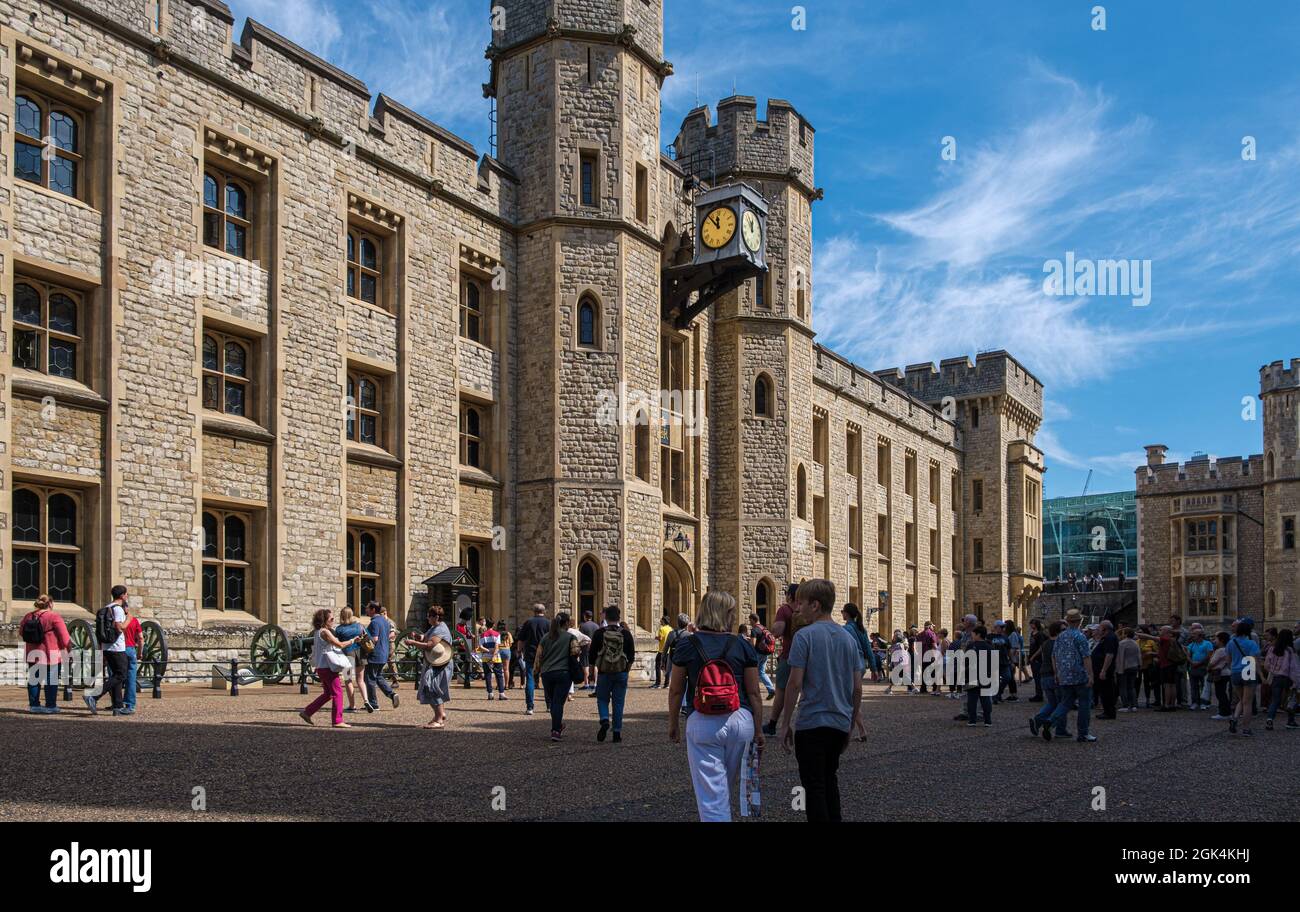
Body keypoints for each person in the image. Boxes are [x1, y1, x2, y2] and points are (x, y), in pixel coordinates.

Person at [668, 590, 764, 822]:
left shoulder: (687, 645)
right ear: (726, 614)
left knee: (712, 796)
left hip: (702, 721)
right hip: (740, 720)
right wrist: (759, 729)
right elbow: (753, 692)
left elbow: (676, 690)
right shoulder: (741, 645)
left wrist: (673, 724)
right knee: (728, 789)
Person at [778, 579, 863, 823]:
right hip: (838, 723)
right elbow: (857, 688)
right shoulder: (849, 639)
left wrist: (785, 724)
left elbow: (794, 684)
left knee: (813, 787)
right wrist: (849, 724)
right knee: (829, 781)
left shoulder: (804, 636)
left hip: (812, 723)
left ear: (815, 605)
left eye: (801, 603)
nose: (797, 608)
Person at [299, 608, 359, 728]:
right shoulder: (325, 632)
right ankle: (337, 720)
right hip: (327, 667)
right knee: (338, 693)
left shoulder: (317, 631)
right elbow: (339, 644)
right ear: (324, 620)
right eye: (331, 619)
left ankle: (307, 712)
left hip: (321, 667)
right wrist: (353, 640)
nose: (333, 620)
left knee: (328, 694)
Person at [1048, 609, 1096, 742]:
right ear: (1079, 621)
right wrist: (1090, 675)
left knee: (1065, 703)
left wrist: (1057, 673)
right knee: (1084, 704)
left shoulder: (1060, 637)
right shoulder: (1080, 637)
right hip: (1079, 674)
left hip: (1064, 675)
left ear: (1068, 622)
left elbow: (1054, 656)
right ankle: (1083, 733)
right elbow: (1086, 657)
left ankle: (1050, 721)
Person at [762, 584, 803, 736]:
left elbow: (778, 631)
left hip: (790, 656)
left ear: (790, 596)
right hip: (809, 656)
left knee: (781, 690)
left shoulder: (785, 610)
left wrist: (768, 632)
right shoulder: (809, 611)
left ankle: (773, 724)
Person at [84, 585, 132, 716]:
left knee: (115, 675)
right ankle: (93, 696)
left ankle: (118, 707)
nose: (127, 596)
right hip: (117, 647)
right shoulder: (118, 610)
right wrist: (129, 619)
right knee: (121, 675)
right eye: (126, 594)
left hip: (106, 646)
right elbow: (119, 627)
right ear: (122, 596)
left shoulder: (105, 608)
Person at [591, 605, 636, 742]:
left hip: (604, 672)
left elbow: (592, 655)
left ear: (606, 616)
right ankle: (616, 733)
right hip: (621, 672)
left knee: (602, 699)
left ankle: (604, 719)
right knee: (618, 703)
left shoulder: (599, 633)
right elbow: (631, 655)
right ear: (619, 617)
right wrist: (626, 670)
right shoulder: (625, 634)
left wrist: (594, 670)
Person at [21, 595, 70, 714]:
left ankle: (34, 706)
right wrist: (67, 649)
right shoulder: (54, 616)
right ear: (51, 603)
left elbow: (21, 632)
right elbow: (64, 637)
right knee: (51, 681)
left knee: (34, 680)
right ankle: (50, 706)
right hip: (51, 653)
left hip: (33, 653)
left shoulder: (28, 616)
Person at [537, 610, 580, 741]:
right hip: (563, 673)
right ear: (566, 623)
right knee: (557, 703)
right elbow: (576, 652)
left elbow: (538, 657)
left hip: (547, 674)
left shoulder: (545, 637)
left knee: (553, 702)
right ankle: (556, 730)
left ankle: (557, 726)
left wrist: (535, 673)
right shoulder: (570, 637)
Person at [409, 605, 453, 729]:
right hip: (434, 662)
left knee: (432, 687)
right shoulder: (435, 627)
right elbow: (425, 637)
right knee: (432, 687)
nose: (427, 618)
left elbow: (429, 645)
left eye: (429, 616)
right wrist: (417, 637)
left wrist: (413, 643)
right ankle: (440, 715)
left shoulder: (441, 629)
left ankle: (439, 720)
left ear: (436, 617)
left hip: (440, 663)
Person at [1029, 621, 1065, 738]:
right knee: (1062, 703)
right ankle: (1057, 727)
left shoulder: (1045, 643)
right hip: (1054, 675)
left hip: (1044, 675)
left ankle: (1038, 720)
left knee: (1052, 702)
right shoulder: (1060, 643)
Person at [1227, 620, 1261, 735]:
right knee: (1247, 702)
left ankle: (1235, 718)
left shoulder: (1231, 643)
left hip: (1235, 672)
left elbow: (1228, 660)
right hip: (1248, 671)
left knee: (1241, 699)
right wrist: (1261, 675)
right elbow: (1255, 660)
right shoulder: (1251, 644)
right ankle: (1246, 728)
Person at [363, 601, 399, 710]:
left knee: (369, 679)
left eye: (368, 608)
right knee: (378, 676)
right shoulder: (385, 621)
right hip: (383, 654)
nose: (366, 610)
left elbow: (374, 639)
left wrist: (362, 639)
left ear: (373, 610)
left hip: (375, 654)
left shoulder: (374, 622)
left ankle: (373, 704)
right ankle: (392, 694)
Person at [515, 604, 550, 716]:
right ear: (544, 611)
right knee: (546, 680)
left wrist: (519, 651)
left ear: (534, 611)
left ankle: (530, 707)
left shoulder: (528, 622)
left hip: (530, 653)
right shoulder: (548, 623)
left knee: (530, 679)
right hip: (545, 654)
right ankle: (549, 705)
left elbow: (521, 639)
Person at [1262, 628, 1299, 731]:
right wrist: (1296, 681)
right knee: (1290, 699)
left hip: (1275, 677)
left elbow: (1266, 665)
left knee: (1275, 700)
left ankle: (1270, 719)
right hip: (1287, 678)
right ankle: (1290, 721)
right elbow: (1293, 668)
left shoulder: (1272, 649)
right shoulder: (1290, 650)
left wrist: (1273, 671)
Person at [334, 607, 367, 714]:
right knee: (360, 680)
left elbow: (335, 643)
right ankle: (366, 701)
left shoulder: (339, 629)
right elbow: (368, 637)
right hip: (360, 653)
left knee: (348, 680)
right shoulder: (359, 626)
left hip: (347, 654)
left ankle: (352, 706)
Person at [963, 626, 994, 727]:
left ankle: (972, 720)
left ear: (978, 634)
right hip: (985, 675)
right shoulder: (989, 646)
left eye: (973, 633)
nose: (972, 635)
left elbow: (966, 661)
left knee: (972, 699)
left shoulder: (971, 646)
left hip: (972, 675)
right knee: (985, 699)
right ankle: (988, 720)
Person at [1091, 620, 1118, 720]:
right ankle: (1107, 711)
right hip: (1100, 668)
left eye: (1099, 628)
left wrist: (1103, 670)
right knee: (1104, 691)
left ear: (1104, 628)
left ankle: (1109, 712)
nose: (1098, 630)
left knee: (1107, 691)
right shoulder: (1106, 638)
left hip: (1105, 670)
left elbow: (1109, 655)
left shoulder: (1110, 638)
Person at [748, 611, 778, 697]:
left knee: (752, 672)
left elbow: (752, 645)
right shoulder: (764, 628)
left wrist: (748, 640)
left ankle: (753, 690)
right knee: (761, 672)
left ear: (754, 620)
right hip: (765, 653)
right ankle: (771, 689)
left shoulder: (754, 630)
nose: (750, 623)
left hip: (758, 654)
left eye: (750, 621)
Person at [1185, 624, 1214, 711]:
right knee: (1193, 686)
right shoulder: (1192, 644)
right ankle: (1195, 702)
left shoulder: (1207, 643)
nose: (1192, 636)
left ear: (1200, 635)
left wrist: (1199, 663)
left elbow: (1210, 655)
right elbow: (1188, 655)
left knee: (1205, 686)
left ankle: (1205, 703)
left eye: (1194, 634)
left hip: (1204, 667)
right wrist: (1192, 662)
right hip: (1193, 667)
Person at [122, 600, 143, 714]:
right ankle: (130, 705)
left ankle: (117, 703)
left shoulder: (118, 620)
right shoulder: (134, 620)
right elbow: (140, 638)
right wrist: (140, 652)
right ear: (127, 608)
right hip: (131, 650)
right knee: (131, 679)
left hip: (119, 650)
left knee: (115, 676)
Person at [1208, 631, 1233, 720]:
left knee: (1220, 693)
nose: (1215, 641)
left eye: (1216, 639)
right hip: (1226, 673)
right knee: (1222, 693)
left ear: (1221, 640)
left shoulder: (1220, 650)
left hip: (1220, 673)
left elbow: (1212, 662)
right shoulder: (1227, 649)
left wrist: (1209, 667)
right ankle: (1225, 711)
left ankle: (1224, 713)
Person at [1117, 627, 1141, 712]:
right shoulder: (1135, 643)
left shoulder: (1122, 643)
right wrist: (1139, 665)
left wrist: (1120, 669)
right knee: (1132, 686)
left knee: (1123, 687)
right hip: (1134, 666)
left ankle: (1125, 705)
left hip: (1125, 666)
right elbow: (1139, 655)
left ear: (1126, 634)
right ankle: (1134, 705)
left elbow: (1121, 656)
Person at [480, 619, 506, 700]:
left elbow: (480, 647)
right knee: (499, 675)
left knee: (488, 675)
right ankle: (501, 693)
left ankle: (490, 693)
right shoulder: (497, 634)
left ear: (486, 625)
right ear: (493, 625)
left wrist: (488, 650)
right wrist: (494, 655)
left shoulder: (483, 635)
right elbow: (497, 646)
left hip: (486, 657)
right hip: (496, 657)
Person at [579, 609, 600, 693]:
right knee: (595, 666)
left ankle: (586, 683)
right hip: (595, 648)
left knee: (585, 665)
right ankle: (595, 683)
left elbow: (580, 638)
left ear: (585, 616)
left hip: (585, 648)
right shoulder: (597, 626)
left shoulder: (583, 626)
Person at [1027, 619, 1047, 701]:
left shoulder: (1040, 634)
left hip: (1037, 659)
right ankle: (1038, 693)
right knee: (1036, 676)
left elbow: (1041, 647)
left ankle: (1039, 695)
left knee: (1038, 677)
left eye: (1032, 624)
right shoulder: (1032, 634)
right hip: (1032, 658)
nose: (1031, 625)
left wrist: (1034, 656)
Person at [652, 615, 673, 689]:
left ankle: (658, 683)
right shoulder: (671, 628)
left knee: (657, 666)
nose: (660, 621)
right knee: (667, 668)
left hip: (661, 651)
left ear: (663, 621)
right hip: (669, 651)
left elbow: (660, 638)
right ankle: (666, 684)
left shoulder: (662, 629)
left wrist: (656, 637)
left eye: (661, 620)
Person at [498, 625, 514, 692]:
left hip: (499, 650)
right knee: (506, 669)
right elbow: (511, 643)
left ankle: (499, 685)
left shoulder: (497, 633)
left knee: (499, 669)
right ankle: (506, 685)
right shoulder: (508, 633)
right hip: (506, 650)